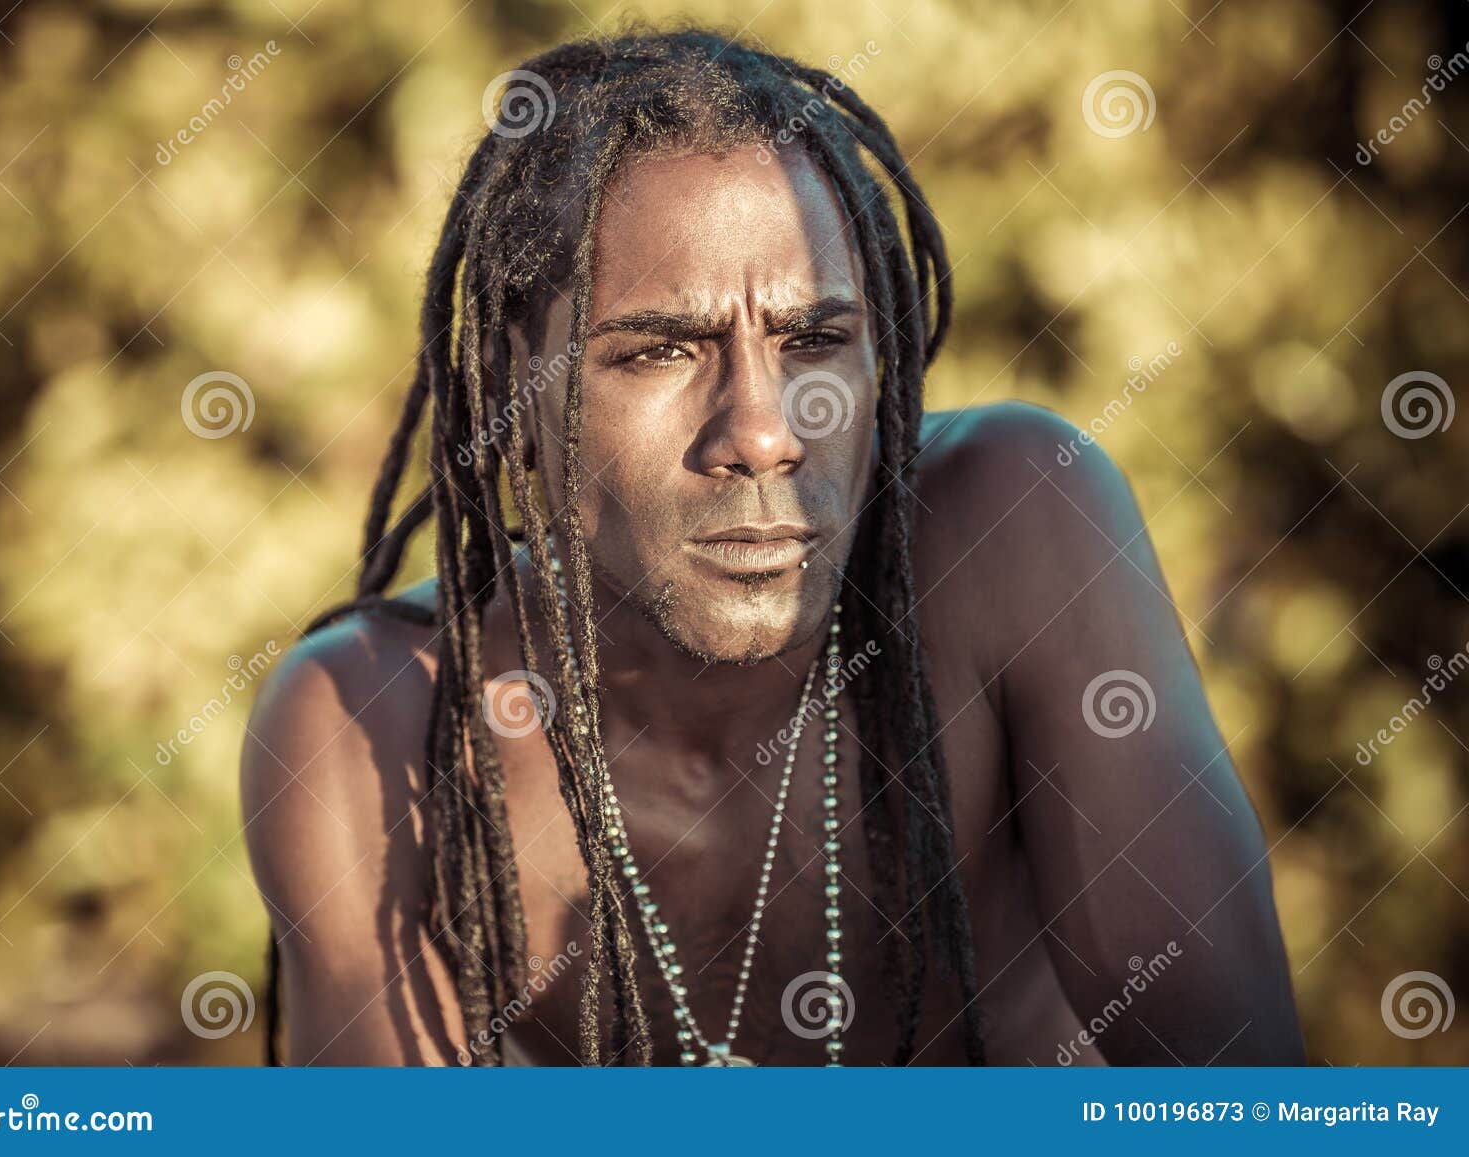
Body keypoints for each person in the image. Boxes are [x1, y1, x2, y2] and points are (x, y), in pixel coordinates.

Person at [240, 27, 1304, 1066]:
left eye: (813, 341)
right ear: (511, 393)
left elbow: (1244, 1103)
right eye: (658, 349)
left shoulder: (1017, 529)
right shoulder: (373, 724)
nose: (760, 431)